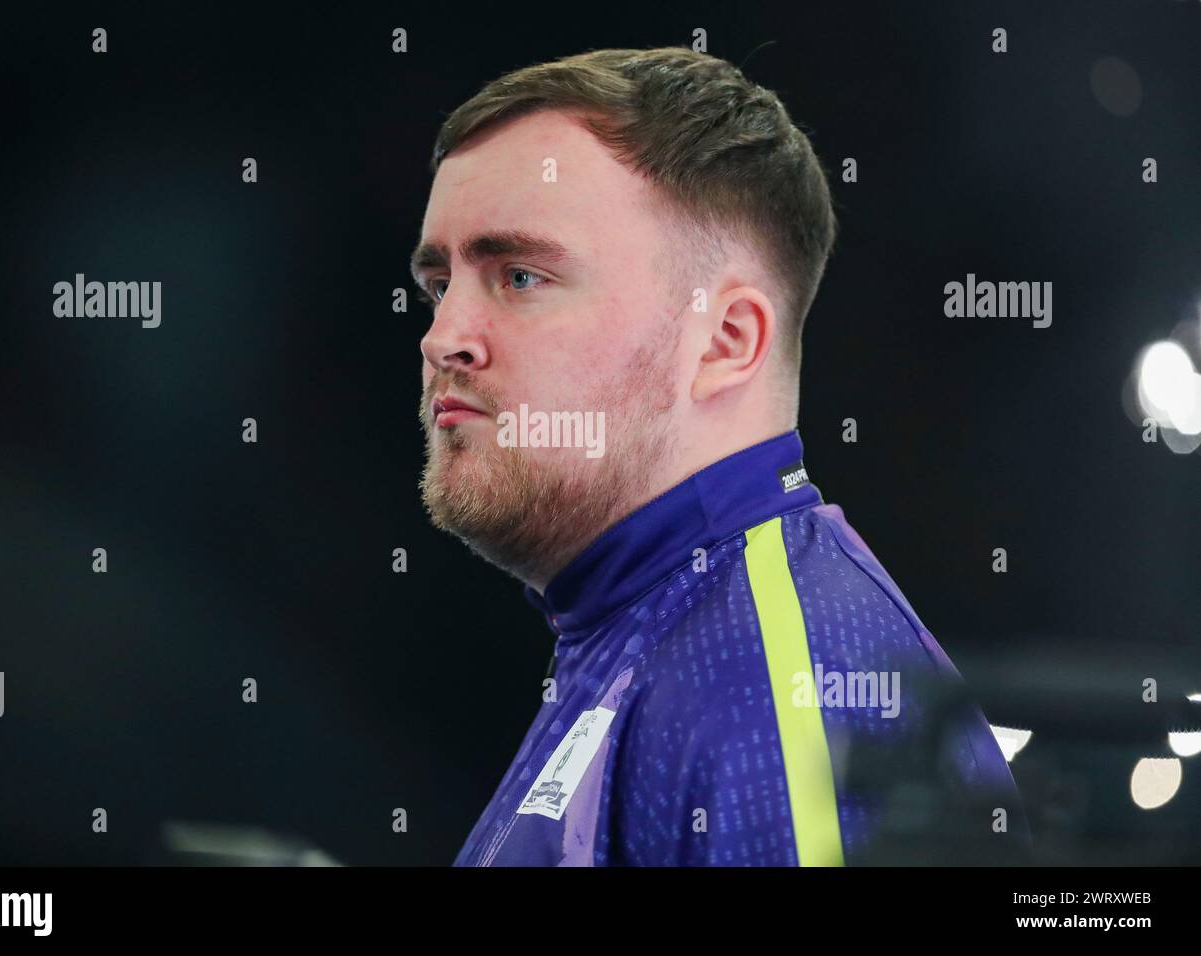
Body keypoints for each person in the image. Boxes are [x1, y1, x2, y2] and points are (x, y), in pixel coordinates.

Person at [411, 46, 1028, 865]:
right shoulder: (644, 629)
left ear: (726, 342)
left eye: (519, 275)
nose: (442, 336)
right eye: (438, 283)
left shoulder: (781, 697)